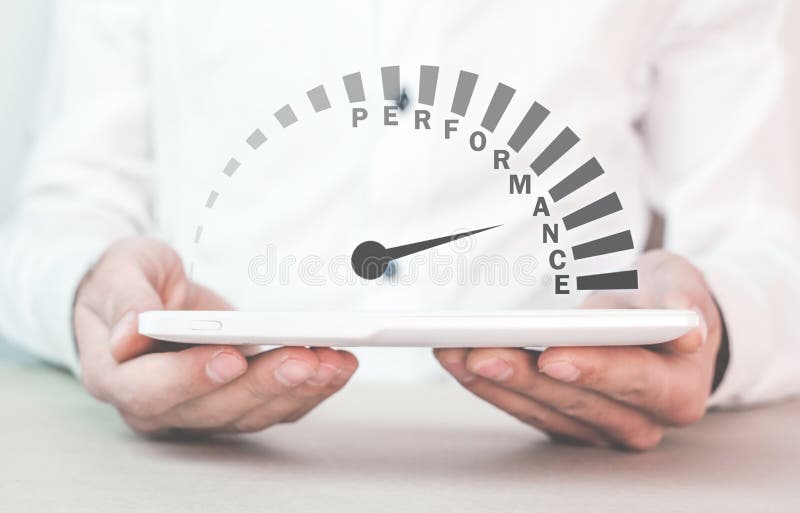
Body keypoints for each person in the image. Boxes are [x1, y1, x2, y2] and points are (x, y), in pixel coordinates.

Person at [1, 0, 798, 450]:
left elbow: (765, 241)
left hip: (566, 472)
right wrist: (92, 294)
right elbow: (67, 207)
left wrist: (715, 329)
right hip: (202, 473)